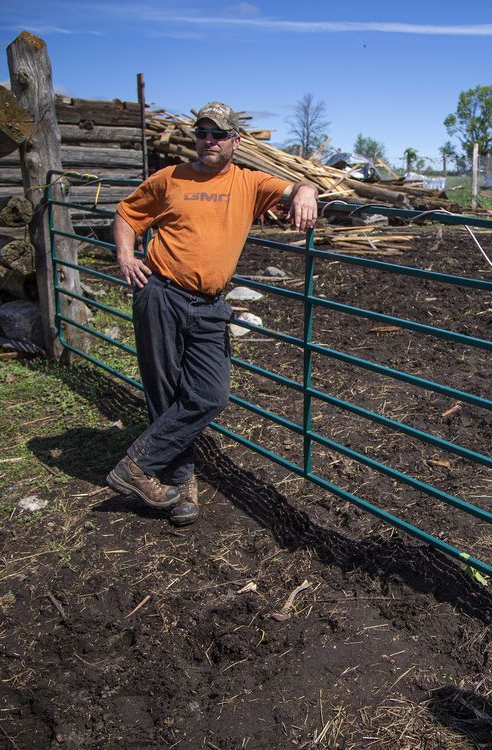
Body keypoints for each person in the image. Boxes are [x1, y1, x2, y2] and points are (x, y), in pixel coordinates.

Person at [106, 101, 318, 526]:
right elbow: (127, 214)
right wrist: (126, 257)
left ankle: (136, 465)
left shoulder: (248, 182)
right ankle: (180, 482)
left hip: (209, 304)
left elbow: (296, 188)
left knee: (210, 395)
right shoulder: (169, 179)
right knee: (164, 391)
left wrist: (308, 191)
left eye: (218, 134)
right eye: (203, 133)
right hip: (160, 292)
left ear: (235, 142)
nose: (209, 141)